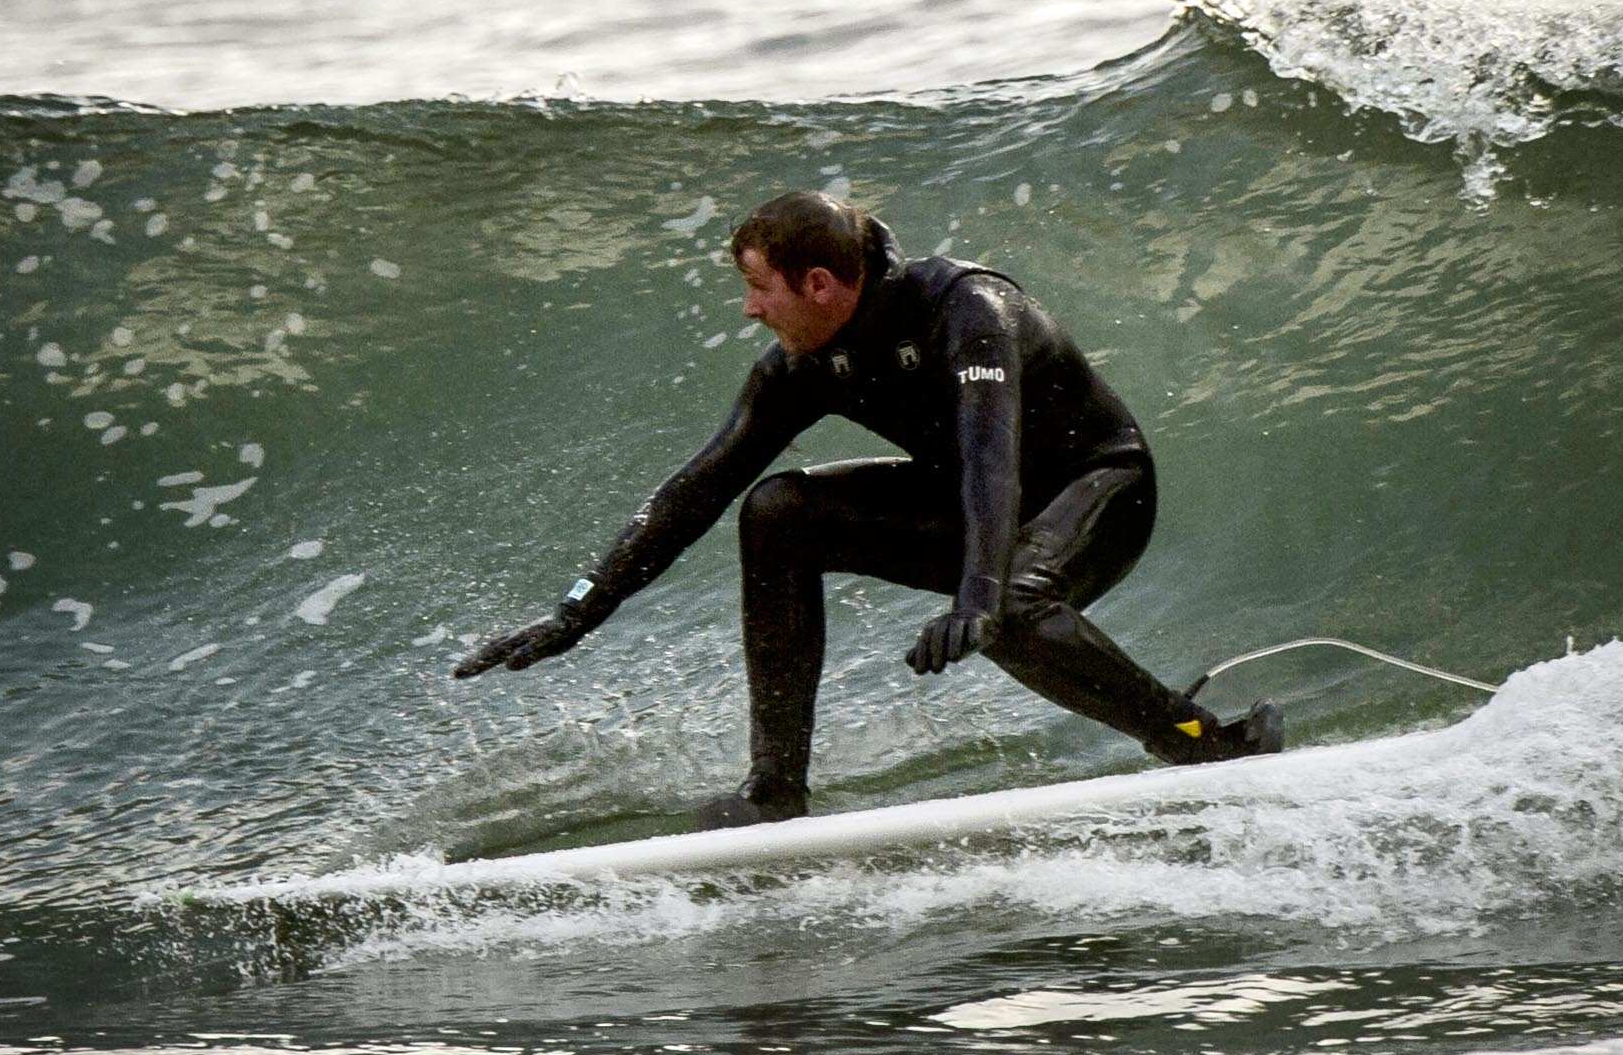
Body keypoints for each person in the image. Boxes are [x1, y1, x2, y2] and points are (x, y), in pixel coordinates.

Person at [456, 190, 1282, 827]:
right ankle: (776, 789)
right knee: (777, 509)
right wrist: (582, 608)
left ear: (817, 284)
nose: (750, 308)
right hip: (971, 507)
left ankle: (1201, 738)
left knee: (1017, 608)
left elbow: (993, 452)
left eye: (758, 287)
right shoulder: (804, 362)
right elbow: (699, 484)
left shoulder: (968, 309)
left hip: (1096, 489)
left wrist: (980, 594)